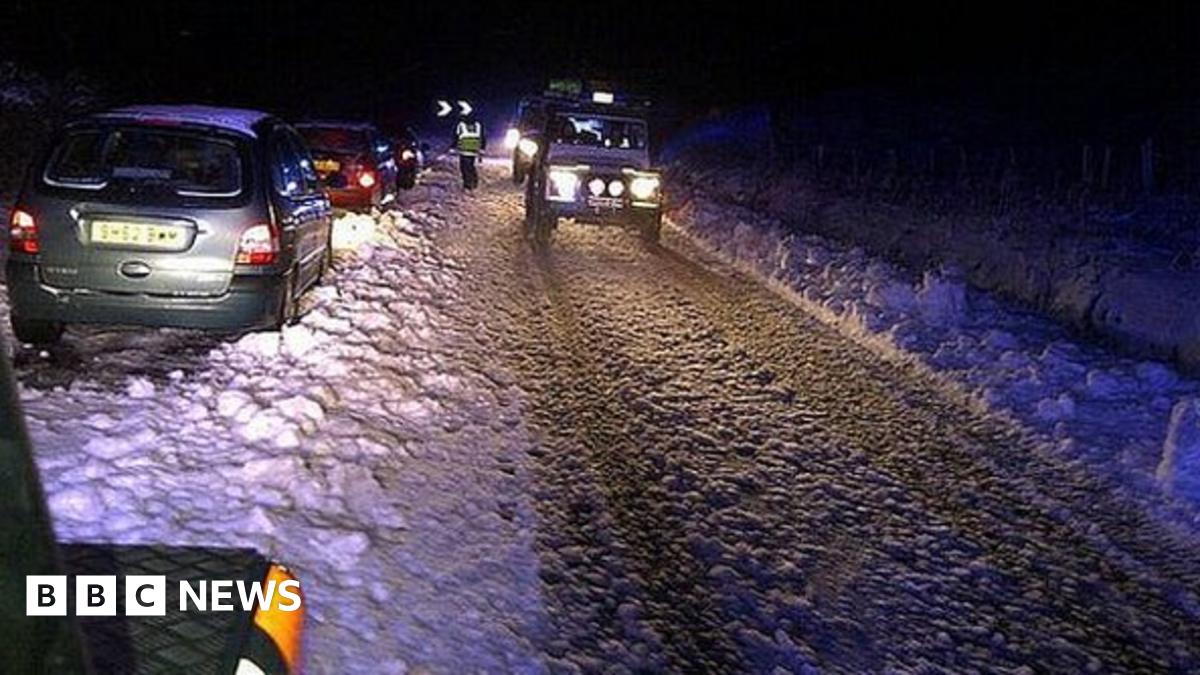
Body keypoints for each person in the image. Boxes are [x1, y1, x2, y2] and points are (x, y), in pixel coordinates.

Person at [453, 114, 485, 190]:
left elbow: (456, 136)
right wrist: (482, 149)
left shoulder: (461, 125)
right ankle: (474, 182)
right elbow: (483, 137)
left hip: (464, 149)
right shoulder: (478, 125)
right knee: (471, 166)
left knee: (464, 167)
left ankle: (467, 184)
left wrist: (453, 146)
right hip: (474, 149)